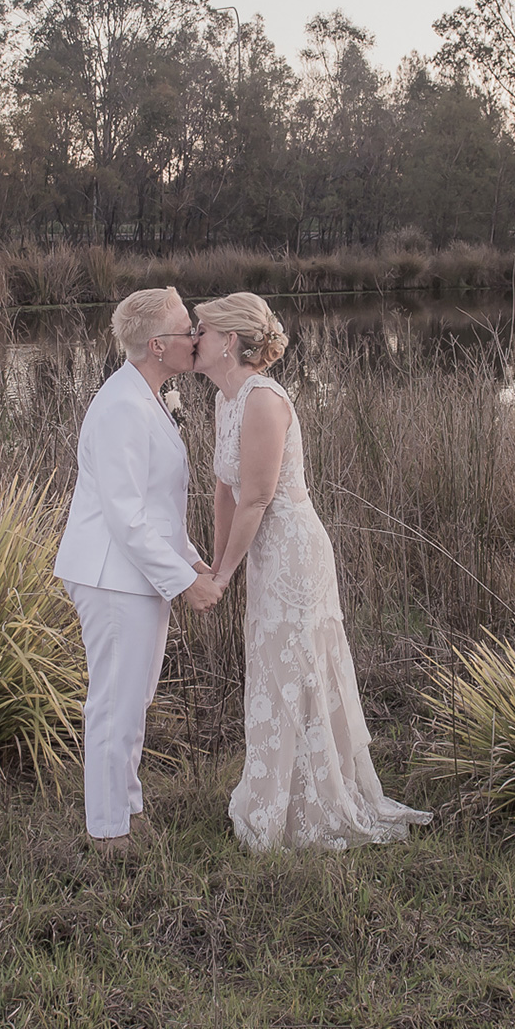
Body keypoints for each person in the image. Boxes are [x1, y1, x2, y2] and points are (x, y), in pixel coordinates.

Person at [193, 291, 432, 852]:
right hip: (261, 554)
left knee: (298, 668)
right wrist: (215, 557)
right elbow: (224, 491)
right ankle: (275, 793)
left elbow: (257, 498)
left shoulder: (263, 401)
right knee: (271, 666)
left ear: (229, 341)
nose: (192, 339)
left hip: (293, 554)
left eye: (201, 329)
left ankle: (316, 804)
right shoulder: (227, 402)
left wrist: (222, 578)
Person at [55, 286, 223, 856]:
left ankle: (125, 807)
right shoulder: (123, 406)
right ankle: (107, 833)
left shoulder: (148, 393)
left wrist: (192, 556)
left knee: (135, 697)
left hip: (136, 573)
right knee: (114, 701)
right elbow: (126, 517)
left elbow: (157, 505)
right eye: (187, 331)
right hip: (111, 574)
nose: (195, 339)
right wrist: (185, 581)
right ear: (158, 345)